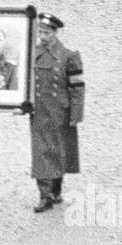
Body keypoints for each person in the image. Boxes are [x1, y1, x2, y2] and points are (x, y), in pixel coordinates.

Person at [28, 12, 84, 212]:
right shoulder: (31, 53)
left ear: (55, 32)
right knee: (41, 152)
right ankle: (45, 195)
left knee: (59, 151)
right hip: (40, 111)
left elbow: (77, 87)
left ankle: (56, 189)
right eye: (40, 32)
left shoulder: (69, 56)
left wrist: (76, 114)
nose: (43, 36)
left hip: (60, 111)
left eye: (47, 32)